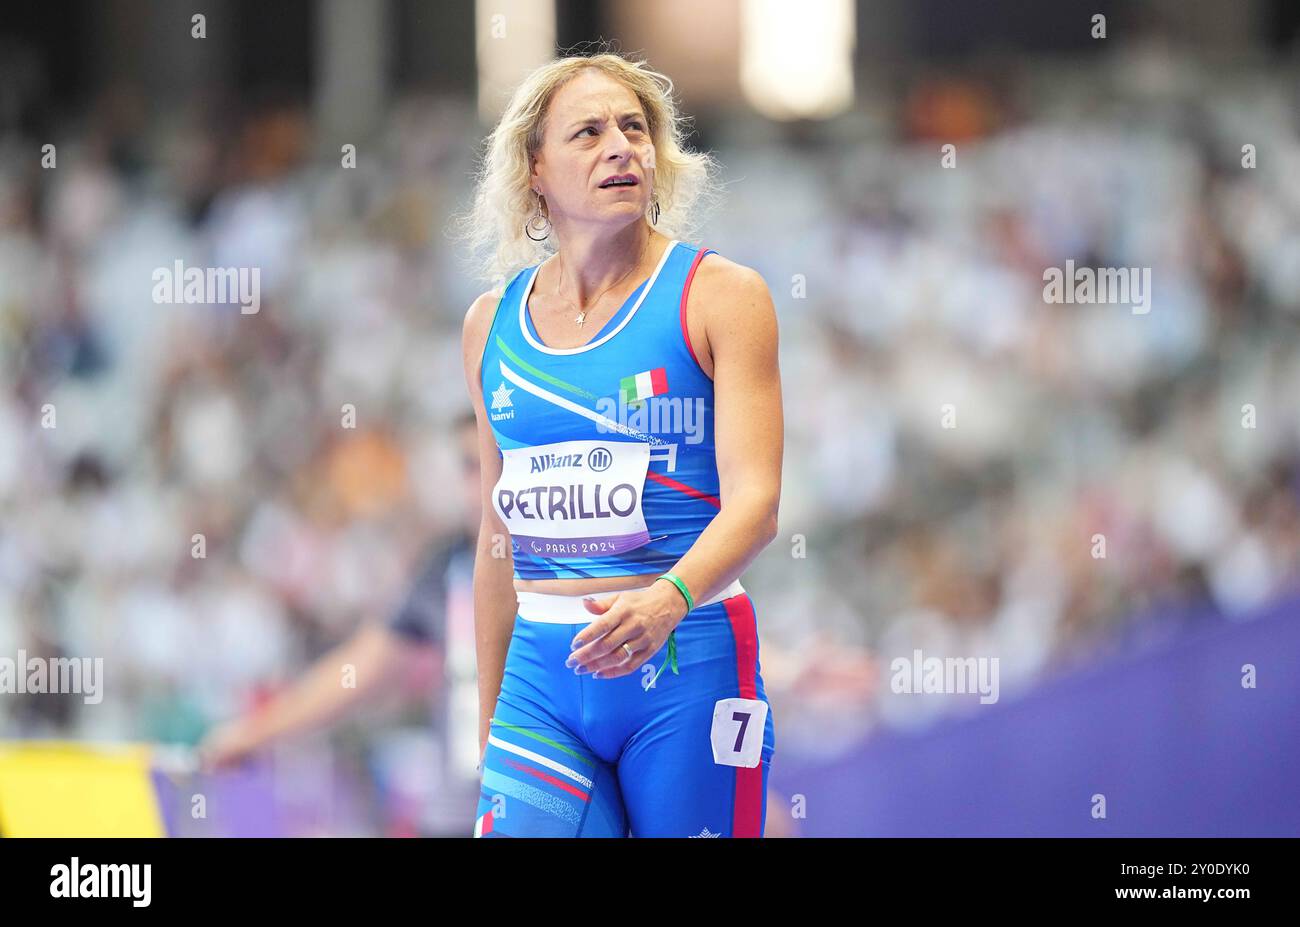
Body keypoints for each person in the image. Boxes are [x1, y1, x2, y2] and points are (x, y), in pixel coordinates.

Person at [458, 51, 783, 837]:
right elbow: (497, 534)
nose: (621, 148)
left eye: (635, 129)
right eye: (590, 132)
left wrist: (666, 601)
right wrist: (489, 714)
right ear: (534, 169)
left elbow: (758, 504)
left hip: (687, 656)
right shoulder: (488, 325)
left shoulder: (722, 295)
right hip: (544, 672)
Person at [197, 412, 483, 836]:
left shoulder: (564, 570)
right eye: (469, 467)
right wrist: (252, 733)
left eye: (494, 462)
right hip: (457, 818)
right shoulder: (445, 569)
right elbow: (355, 671)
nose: (481, 487)